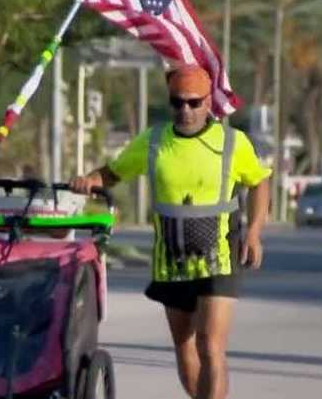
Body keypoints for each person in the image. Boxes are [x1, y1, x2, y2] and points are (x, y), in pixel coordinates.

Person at [70, 64, 271, 399]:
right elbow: (114, 172)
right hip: (171, 261)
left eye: (194, 102)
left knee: (210, 346)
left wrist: (253, 232)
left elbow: (260, 181)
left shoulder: (232, 143)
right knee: (185, 349)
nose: (186, 110)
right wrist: (89, 180)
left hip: (219, 257)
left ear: (209, 103)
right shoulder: (153, 142)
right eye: (178, 102)